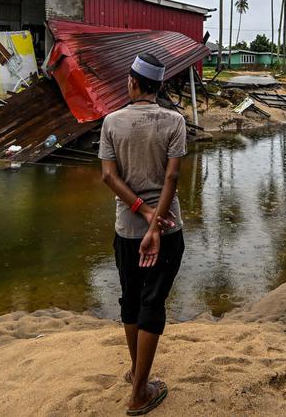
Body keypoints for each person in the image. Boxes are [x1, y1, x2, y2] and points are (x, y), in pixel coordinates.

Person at [98, 52, 186, 415]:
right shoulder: (174, 121)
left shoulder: (111, 122)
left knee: (130, 300)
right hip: (166, 229)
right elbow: (172, 178)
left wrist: (142, 213)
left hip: (127, 229)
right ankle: (139, 392)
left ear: (133, 83)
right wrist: (156, 220)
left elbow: (108, 176)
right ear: (159, 86)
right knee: (153, 302)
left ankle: (138, 374)